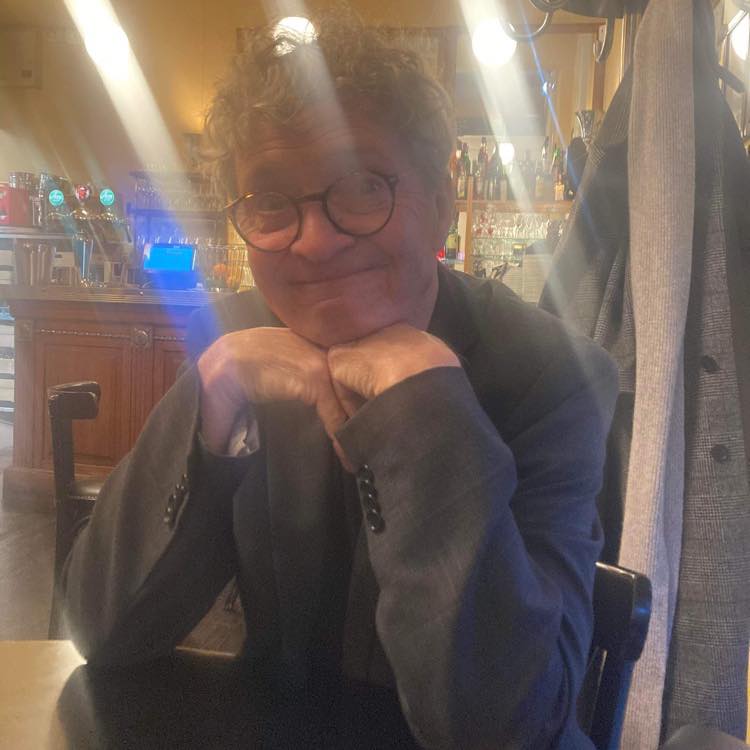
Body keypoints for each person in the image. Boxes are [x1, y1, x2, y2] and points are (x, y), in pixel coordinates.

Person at [61, 9, 619, 749]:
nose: (316, 241)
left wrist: (425, 413)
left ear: (440, 203)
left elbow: (513, 725)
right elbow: (104, 629)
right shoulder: (233, 341)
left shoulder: (552, 376)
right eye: (271, 202)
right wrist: (209, 400)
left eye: (361, 187)